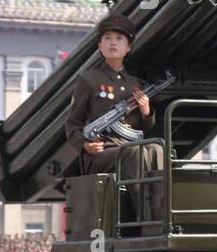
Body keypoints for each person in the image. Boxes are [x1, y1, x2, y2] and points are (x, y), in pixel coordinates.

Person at [64, 14, 164, 227]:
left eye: (119, 39)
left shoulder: (134, 83)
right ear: (100, 46)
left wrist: (146, 111)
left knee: (156, 148)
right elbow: (73, 124)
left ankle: (160, 208)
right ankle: (144, 218)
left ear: (128, 47)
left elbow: (142, 127)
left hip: (128, 148)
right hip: (102, 153)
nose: (113, 43)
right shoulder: (89, 80)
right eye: (107, 38)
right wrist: (85, 145)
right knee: (135, 152)